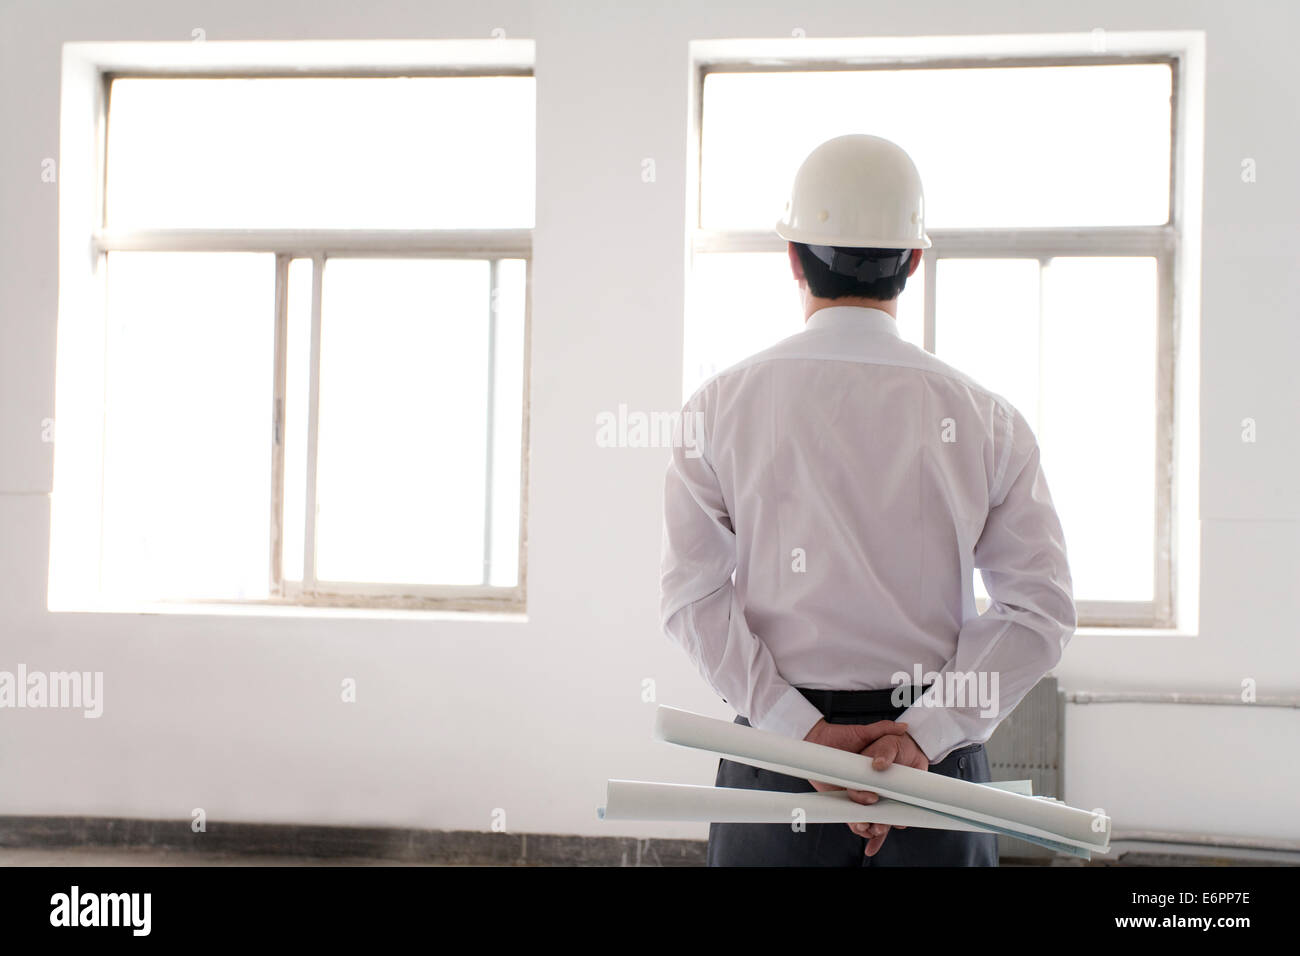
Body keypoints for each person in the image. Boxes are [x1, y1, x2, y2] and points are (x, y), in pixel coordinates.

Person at [659, 134, 1076, 866]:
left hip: (772, 767)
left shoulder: (718, 409)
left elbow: (691, 599)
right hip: (933, 776)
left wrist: (800, 732)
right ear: (914, 260)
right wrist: (921, 737)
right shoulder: (987, 419)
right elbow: (1041, 613)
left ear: (793, 258)